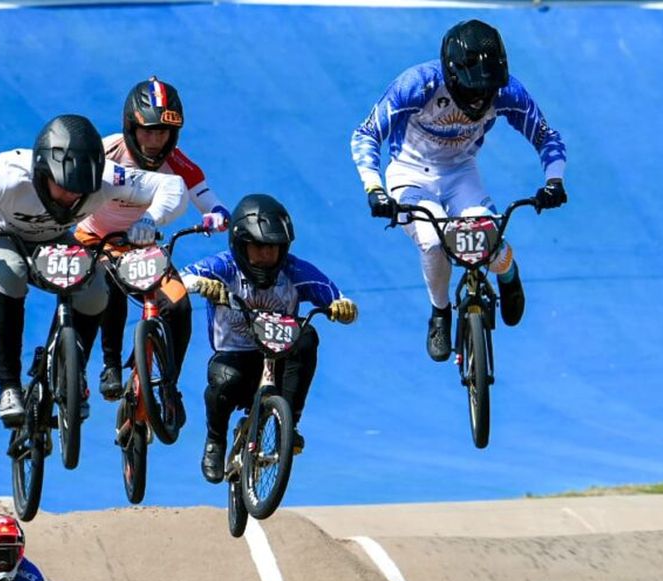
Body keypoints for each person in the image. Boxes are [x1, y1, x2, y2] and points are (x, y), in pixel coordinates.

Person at [0, 113, 188, 426]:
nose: (71, 197)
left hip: (49, 241)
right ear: (42, 171)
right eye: (63, 186)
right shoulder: (8, 174)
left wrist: (149, 219)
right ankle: (9, 387)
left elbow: (172, 186)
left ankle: (72, 373)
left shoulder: (106, 178)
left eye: (81, 190)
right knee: (12, 273)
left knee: (94, 291)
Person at [350, 19, 568, 362]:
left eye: (488, 89)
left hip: (461, 173)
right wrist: (375, 188)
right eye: (472, 88)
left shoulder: (507, 91)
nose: (481, 97)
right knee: (434, 240)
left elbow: (546, 136)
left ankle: (508, 272)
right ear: (451, 77)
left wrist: (554, 180)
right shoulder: (418, 85)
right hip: (410, 176)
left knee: (488, 240)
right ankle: (440, 312)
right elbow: (366, 134)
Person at [75, 77, 232, 404]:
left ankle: (168, 385)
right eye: (147, 131)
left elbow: (207, 198)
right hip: (93, 237)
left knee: (179, 305)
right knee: (109, 285)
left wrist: (217, 214)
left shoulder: (177, 161)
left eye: (162, 133)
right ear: (130, 128)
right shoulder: (107, 149)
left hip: (140, 246)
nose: (154, 141)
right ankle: (111, 366)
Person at [181, 194, 358, 483]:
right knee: (224, 383)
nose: (266, 256)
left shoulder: (295, 270)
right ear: (240, 246)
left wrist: (343, 307)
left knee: (308, 336)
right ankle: (215, 441)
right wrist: (200, 284)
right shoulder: (224, 266)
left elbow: (333, 295)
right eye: (259, 248)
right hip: (235, 357)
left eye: (273, 249)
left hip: (278, 356)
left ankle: (289, 424)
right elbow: (180, 277)